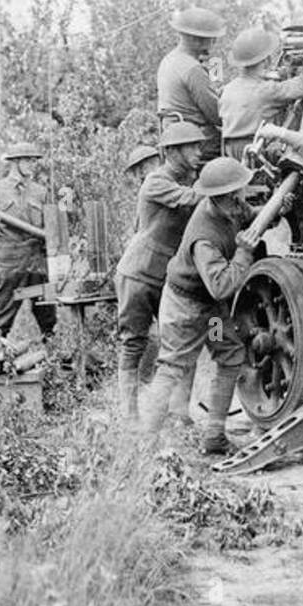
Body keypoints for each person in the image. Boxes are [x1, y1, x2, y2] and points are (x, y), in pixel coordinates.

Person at [138, 157, 260, 453]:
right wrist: (243, 254)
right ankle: (144, 441)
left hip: (211, 315)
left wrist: (276, 211)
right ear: (222, 197)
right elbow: (221, 287)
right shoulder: (204, 238)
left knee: (229, 355)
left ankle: (214, 436)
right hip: (186, 310)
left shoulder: (230, 206)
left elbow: (249, 214)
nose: (241, 199)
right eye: (236, 194)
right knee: (173, 366)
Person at [113, 124, 207, 420]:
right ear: (172, 152)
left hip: (167, 278)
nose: (198, 152)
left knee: (183, 340)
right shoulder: (156, 181)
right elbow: (194, 199)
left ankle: (180, 412)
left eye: (198, 146)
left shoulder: (189, 178)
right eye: (191, 147)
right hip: (138, 275)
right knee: (134, 343)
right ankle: (129, 415)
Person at [0, 142, 55, 341]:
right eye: (29, 161)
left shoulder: (41, 192)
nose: (33, 165)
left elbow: (51, 229)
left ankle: (56, 362)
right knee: (2, 318)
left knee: (47, 316)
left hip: (37, 263)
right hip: (9, 264)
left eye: (34, 161)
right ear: (15, 162)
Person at [218, 28, 303, 158]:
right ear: (266, 61)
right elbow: (300, 87)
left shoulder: (228, 89)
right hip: (254, 150)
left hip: (229, 151)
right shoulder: (265, 91)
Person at [157, 7, 226, 159]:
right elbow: (217, 115)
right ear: (196, 39)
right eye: (211, 39)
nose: (213, 43)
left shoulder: (168, 60)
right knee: (241, 141)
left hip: (174, 137)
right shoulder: (192, 69)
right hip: (198, 141)